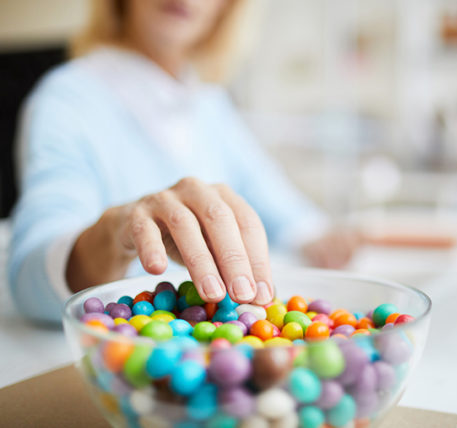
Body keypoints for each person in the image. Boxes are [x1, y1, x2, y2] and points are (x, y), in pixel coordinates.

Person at [9, 0, 357, 323]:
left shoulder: (209, 102)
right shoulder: (65, 99)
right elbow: (30, 277)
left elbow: (278, 201)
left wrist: (320, 235)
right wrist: (118, 230)